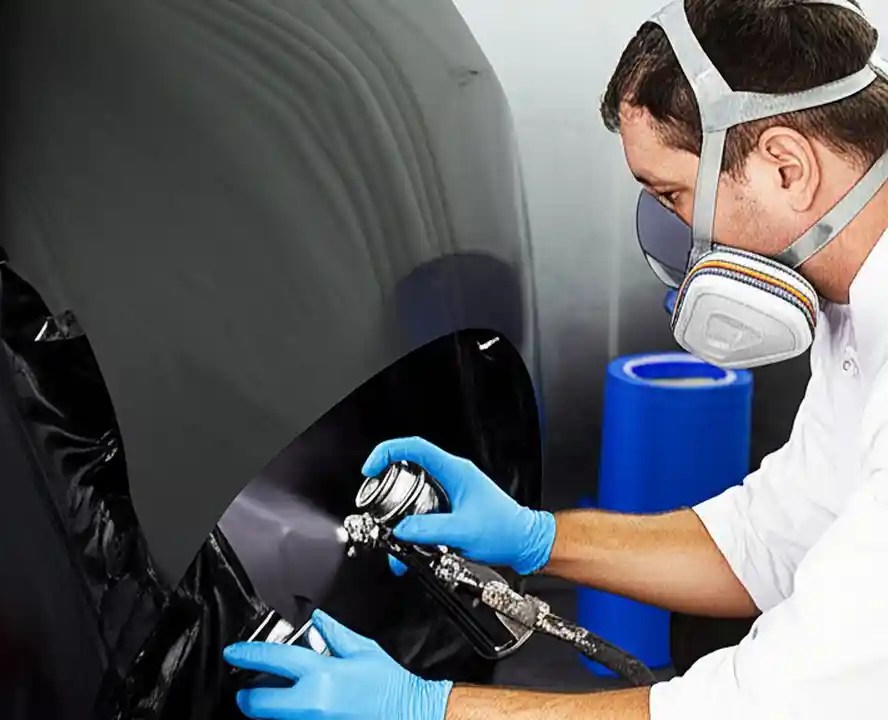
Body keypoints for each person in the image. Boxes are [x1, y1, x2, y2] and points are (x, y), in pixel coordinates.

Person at [221, 1, 888, 717]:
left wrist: (425, 707)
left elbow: (758, 706)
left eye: (672, 196)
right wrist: (535, 537)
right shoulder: (856, 312)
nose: (676, 246)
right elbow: (773, 537)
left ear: (787, 167)